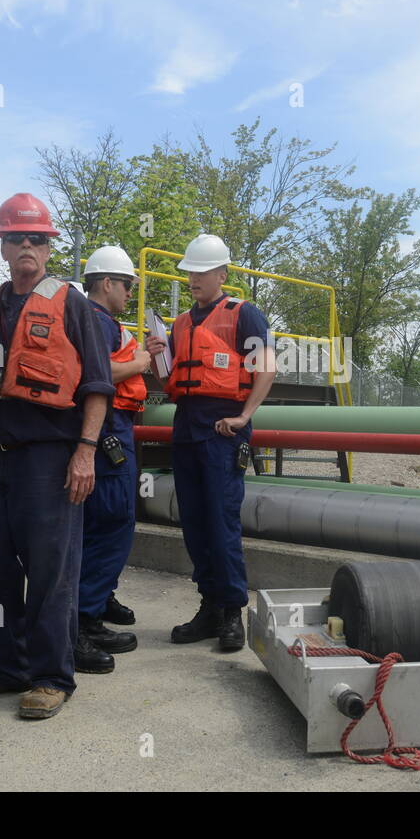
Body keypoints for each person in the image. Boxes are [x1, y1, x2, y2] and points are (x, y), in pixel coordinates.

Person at [0, 192, 114, 721]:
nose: (26, 248)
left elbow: (98, 387)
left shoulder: (71, 304)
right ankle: (2, 667)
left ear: (47, 246)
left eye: (36, 239)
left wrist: (85, 452)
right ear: (3, 245)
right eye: (16, 239)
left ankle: (50, 677)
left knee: (50, 573)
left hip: (48, 460)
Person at [144, 234, 276, 652]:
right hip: (187, 426)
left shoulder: (244, 315)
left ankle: (232, 611)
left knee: (222, 523)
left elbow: (266, 369)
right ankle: (209, 608)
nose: (193, 279)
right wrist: (158, 356)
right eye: (189, 273)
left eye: (201, 272)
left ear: (222, 273)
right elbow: (170, 382)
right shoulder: (181, 323)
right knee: (195, 523)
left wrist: (243, 417)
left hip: (222, 430)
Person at [71, 246, 149, 673]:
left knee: (99, 526)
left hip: (106, 433)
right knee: (111, 522)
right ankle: (81, 622)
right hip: (105, 436)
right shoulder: (96, 321)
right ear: (106, 283)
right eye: (126, 284)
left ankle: (89, 612)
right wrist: (139, 362)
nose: (128, 292)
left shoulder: (96, 320)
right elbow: (94, 374)